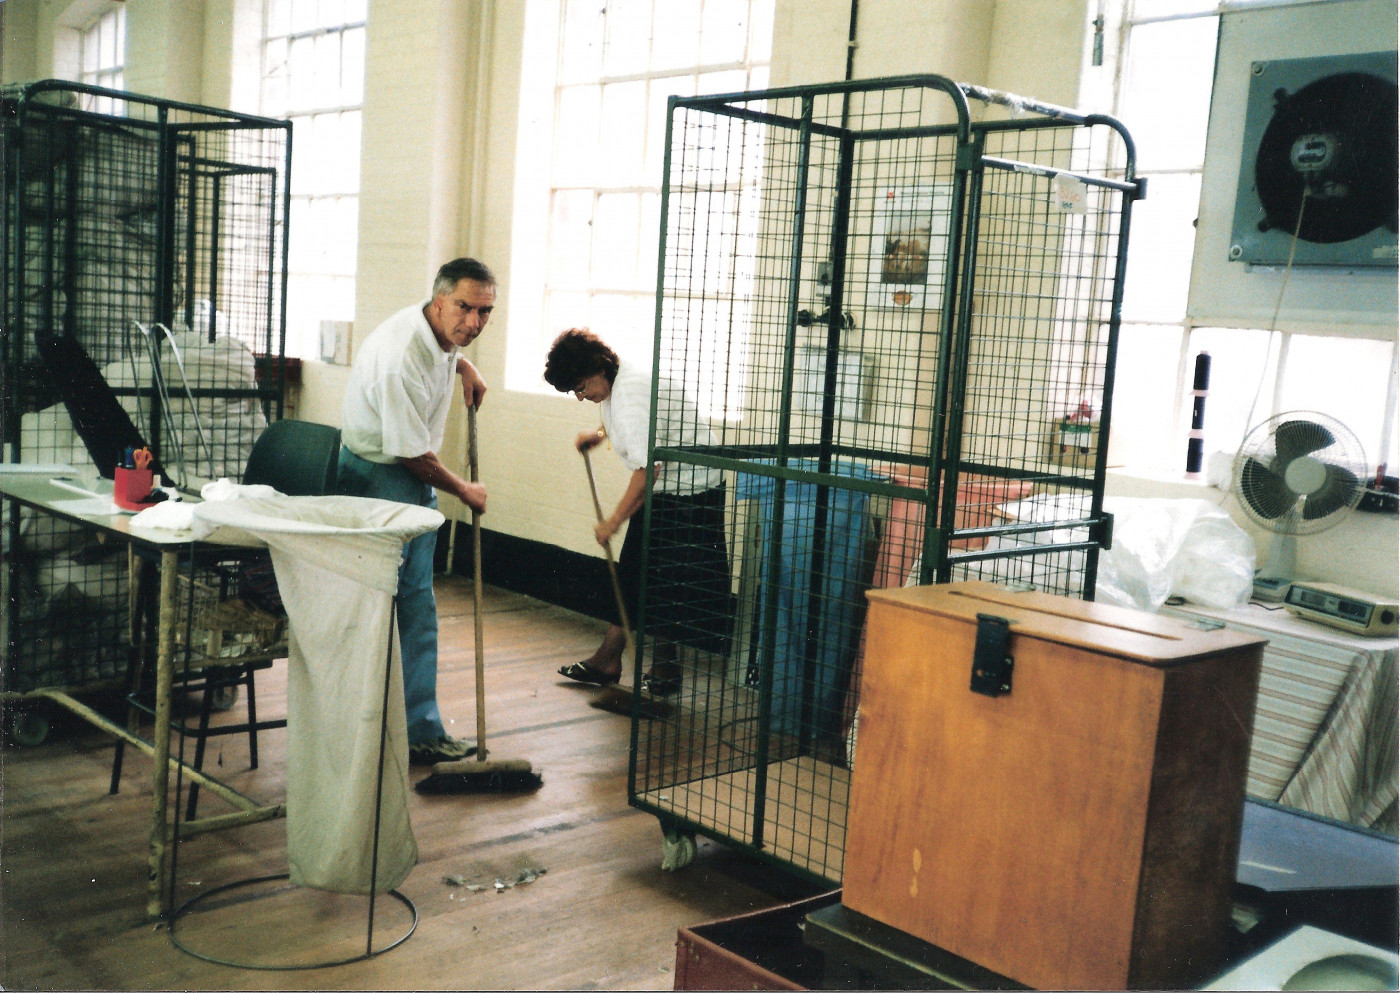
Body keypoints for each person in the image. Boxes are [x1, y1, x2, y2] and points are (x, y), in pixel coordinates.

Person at [337, 257, 494, 764]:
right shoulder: (402, 353)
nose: (474, 322)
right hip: (382, 476)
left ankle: (404, 723)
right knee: (403, 606)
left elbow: (444, 351)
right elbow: (411, 454)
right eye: (466, 308)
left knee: (410, 604)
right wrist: (465, 491)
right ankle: (412, 729)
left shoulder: (433, 330)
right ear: (440, 299)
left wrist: (464, 365)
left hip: (398, 470)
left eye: (485, 312)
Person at [543, 327, 732, 696]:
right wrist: (600, 435)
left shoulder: (628, 393)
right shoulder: (619, 376)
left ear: (597, 367)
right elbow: (647, 425)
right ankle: (637, 664)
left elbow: (647, 471)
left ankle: (634, 664)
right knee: (642, 575)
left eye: (581, 387)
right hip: (676, 485)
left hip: (691, 490)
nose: (582, 397)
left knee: (662, 580)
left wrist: (612, 522)